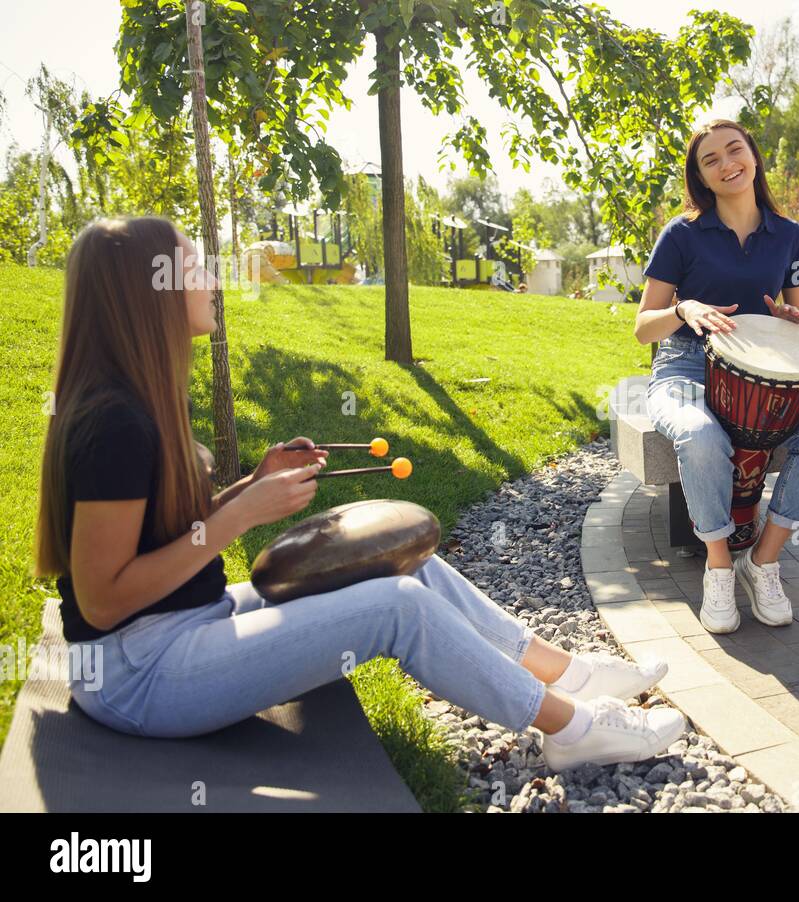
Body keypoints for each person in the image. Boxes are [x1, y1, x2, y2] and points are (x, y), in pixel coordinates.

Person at [33, 216, 683, 771]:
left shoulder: (140, 401)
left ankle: (566, 672)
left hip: (185, 627)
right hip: (136, 674)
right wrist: (238, 518)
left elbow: (163, 530)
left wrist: (250, 486)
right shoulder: (113, 423)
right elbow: (106, 598)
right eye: (193, 267)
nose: (211, 279)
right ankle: (571, 729)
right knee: (393, 606)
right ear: (147, 293)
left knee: (405, 562)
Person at [633, 119, 799, 634]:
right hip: (684, 365)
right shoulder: (681, 235)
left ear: (754, 157)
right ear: (701, 177)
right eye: (711, 160)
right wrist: (685, 309)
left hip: (764, 375)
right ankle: (720, 568)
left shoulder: (790, 235)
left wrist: (792, 322)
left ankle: (764, 561)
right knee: (701, 435)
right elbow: (643, 328)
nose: (727, 164)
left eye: (735, 151)